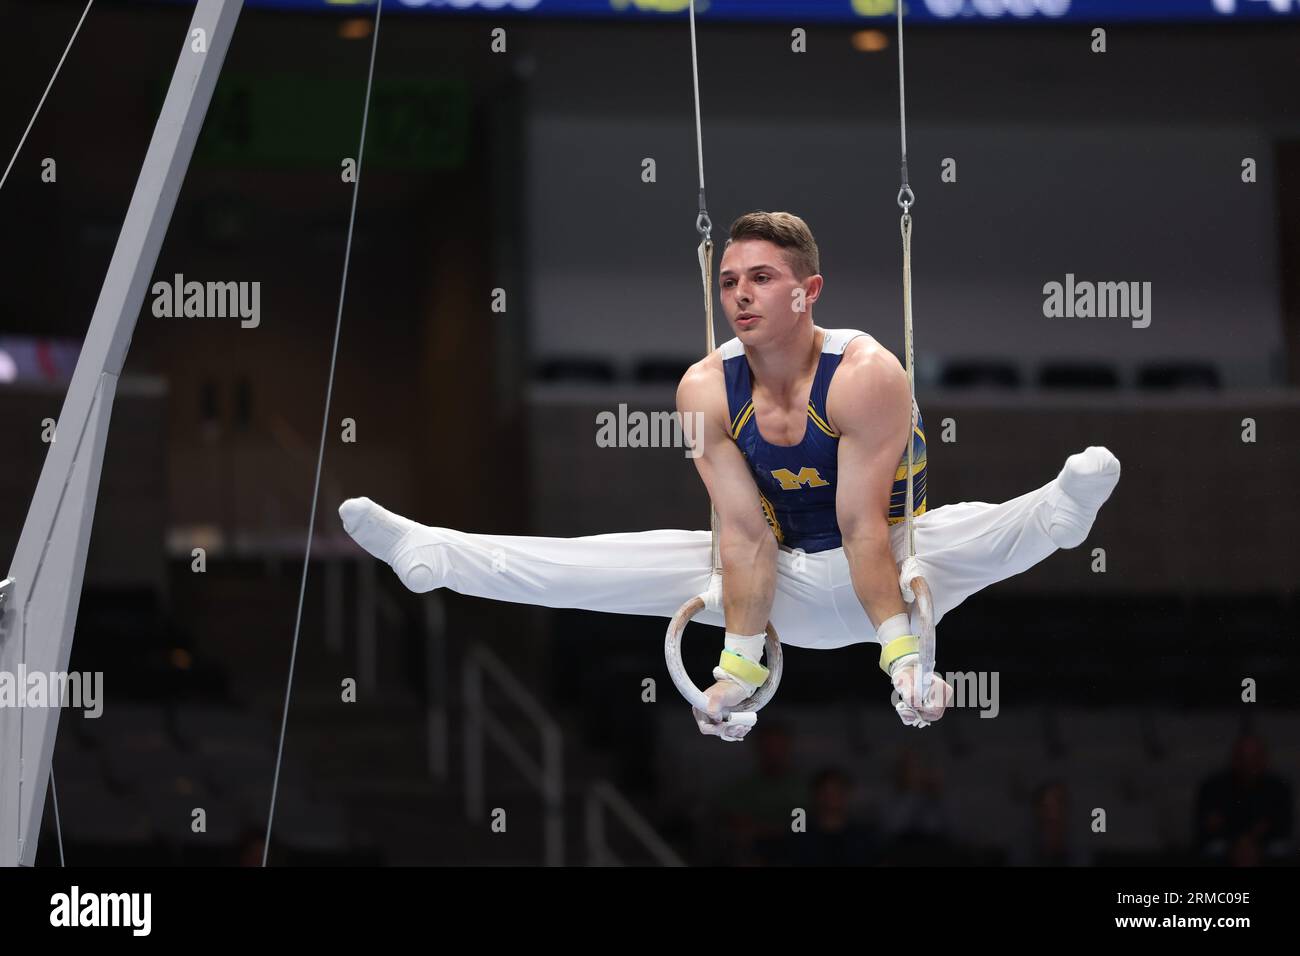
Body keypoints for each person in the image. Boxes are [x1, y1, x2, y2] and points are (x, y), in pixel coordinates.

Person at [339, 211, 1121, 741]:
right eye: (729, 281)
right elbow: (744, 534)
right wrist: (736, 672)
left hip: (891, 564)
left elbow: (861, 528)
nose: (740, 294)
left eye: (761, 278)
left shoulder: (868, 374)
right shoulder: (700, 392)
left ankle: (1059, 512)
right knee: (622, 558)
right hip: (778, 584)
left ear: (808, 292)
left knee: (964, 533)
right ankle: (437, 556)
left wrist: (907, 661)